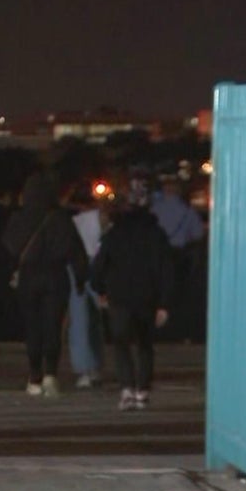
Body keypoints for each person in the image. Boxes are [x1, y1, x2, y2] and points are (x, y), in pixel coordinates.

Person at [1, 170, 89, 397]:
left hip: (29, 277)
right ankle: (51, 375)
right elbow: (75, 252)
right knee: (52, 326)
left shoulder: (18, 219)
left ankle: (34, 376)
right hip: (55, 275)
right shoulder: (60, 219)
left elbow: (8, 248)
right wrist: (81, 279)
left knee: (32, 327)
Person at [91, 176, 174, 411]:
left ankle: (126, 388)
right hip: (148, 296)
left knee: (121, 343)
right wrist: (164, 303)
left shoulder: (115, 232)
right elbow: (166, 270)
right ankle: (143, 390)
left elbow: (99, 265)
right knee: (145, 344)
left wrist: (100, 289)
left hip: (119, 295)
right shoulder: (156, 234)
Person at [149, 173, 206, 341]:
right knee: (178, 291)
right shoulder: (187, 211)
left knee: (158, 289)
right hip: (179, 255)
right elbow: (197, 234)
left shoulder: (155, 209)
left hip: (159, 254)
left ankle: (158, 319)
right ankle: (176, 324)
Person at [68, 197, 106, 388]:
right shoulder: (98, 218)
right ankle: (93, 366)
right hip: (93, 264)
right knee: (92, 319)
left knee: (80, 320)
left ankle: (85, 369)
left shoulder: (75, 221)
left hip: (76, 266)